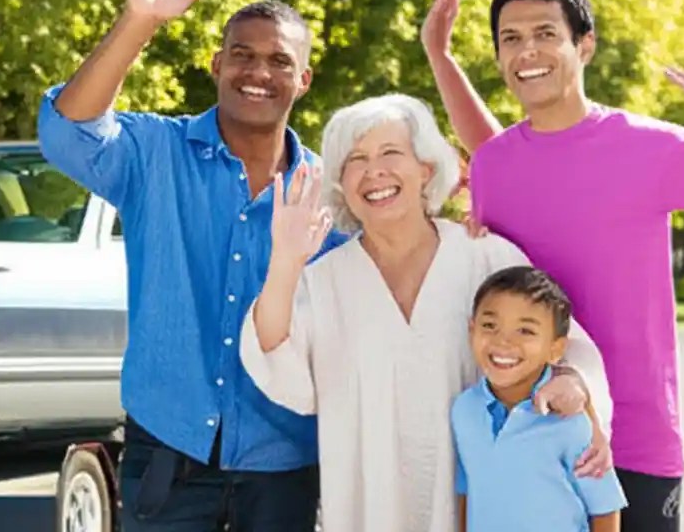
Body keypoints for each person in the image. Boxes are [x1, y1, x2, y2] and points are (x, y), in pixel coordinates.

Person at [419, 0, 684, 532]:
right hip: (528, 432)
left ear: (585, 45)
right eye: (511, 38)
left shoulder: (650, 147)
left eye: (546, 34)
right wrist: (439, 54)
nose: (528, 51)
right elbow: (496, 153)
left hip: (634, 437)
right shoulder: (498, 166)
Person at [38, 0, 334, 531]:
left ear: (303, 81)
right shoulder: (155, 153)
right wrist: (139, 21)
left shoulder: (331, 193)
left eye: (279, 61)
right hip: (166, 456)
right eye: (242, 55)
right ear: (215, 63)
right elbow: (65, 132)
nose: (258, 72)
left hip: (287, 467)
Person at [239, 92, 614, 532]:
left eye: (390, 152)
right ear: (341, 183)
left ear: (427, 169)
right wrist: (284, 260)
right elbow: (275, 359)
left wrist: (570, 378)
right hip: (368, 509)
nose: (374, 171)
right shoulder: (321, 281)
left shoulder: (486, 257)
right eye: (355, 159)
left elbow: (563, 345)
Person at [452, 265, 626, 532]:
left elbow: (605, 508)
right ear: (471, 330)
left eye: (526, 331)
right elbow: (466, 492)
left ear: (556, 348)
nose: (503, 342)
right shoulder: (463, 410)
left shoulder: (571, 421)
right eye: (490, 325)